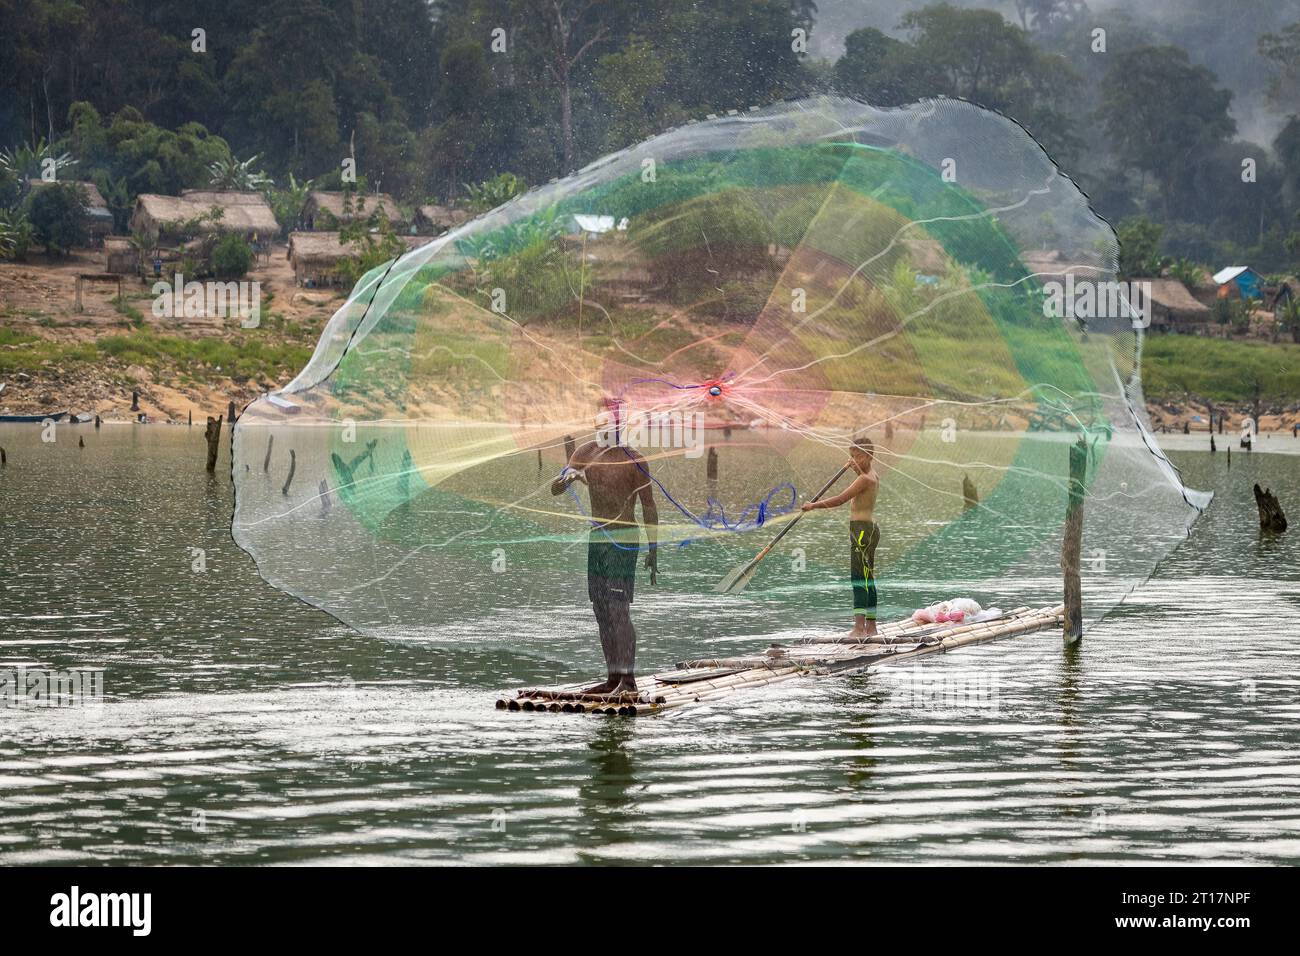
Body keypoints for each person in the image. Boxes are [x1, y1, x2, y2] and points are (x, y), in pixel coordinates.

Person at [551, 400, 658, 694]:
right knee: (601, 609)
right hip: (597, 538)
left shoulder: (634, 460)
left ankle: (629, 682)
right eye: (599, 426)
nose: (603, 431)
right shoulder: (584, 452)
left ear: (620, 427)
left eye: (609, 426)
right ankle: (613, 678)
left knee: (618, 609)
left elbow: (649, 507)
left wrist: (654, 549)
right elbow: (555, 488)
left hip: (623, 539)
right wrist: (567, 478)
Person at [801, 437, 880, 637]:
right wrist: (855, 466)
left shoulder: (865, 479)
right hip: (866, 530)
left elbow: (840, 499)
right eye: (851, 456)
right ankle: (871, 628)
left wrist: (813, 506)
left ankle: (859, 628)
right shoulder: (870, 474)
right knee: (867, 577)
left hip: (862, 531)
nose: (854, 460)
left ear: (869, 456)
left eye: (858, 456)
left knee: (859, 579)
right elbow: (861, 474)